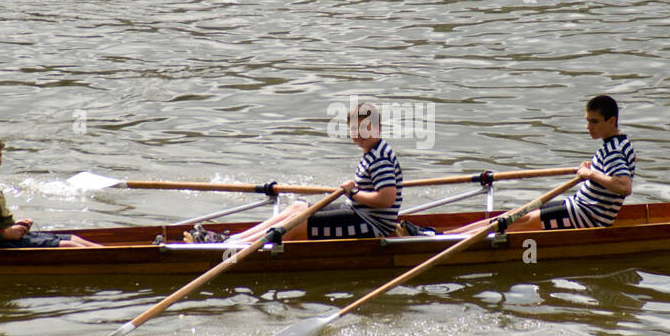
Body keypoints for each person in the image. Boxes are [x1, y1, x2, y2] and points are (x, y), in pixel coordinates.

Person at [191, 101, 403, 244]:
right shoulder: (373, 151)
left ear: (378, 128)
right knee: (298, 207)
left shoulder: (380, 158)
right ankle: (233, 240)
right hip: (359, 212)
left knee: (298, 225)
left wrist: (353, 193)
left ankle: (236, 248)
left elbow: (386, 199)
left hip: (373, 225)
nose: (358, 134)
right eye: (354, 129)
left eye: (365, 128)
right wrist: (354, 193)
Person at [449, 94, 635, 235]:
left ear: (612, 121)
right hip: (578, 207)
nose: (589, 127)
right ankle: (447, 235)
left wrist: (591, 174)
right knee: (515, 214)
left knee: (515, 221)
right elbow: (625, 165)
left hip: (588, 217)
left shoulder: (613, 151)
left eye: (594, 122)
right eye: (587, 121)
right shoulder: (621, 143)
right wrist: (595, 168)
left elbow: (624, 186)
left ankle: (445, 238)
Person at [0, 131, 100, 251]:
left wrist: (14, 227)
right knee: (69, 247)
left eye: (0, 155)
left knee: (73, 239)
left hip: (6, 239)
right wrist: (5, 234)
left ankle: (113, 255)